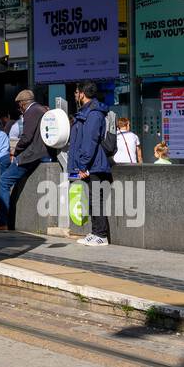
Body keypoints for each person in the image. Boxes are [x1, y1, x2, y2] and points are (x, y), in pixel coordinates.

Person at [0, 89, 49, 231]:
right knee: (4, 163)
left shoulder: (31, 111)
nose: (19, 109)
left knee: (4, 181)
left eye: (19, 106)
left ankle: (1, 223)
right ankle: (3, 213)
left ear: (23, 104)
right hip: (39, 153)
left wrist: (16, 151)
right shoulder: (41, 109)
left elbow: (26, 137)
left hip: (31, 155)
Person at [67, 81, 111, 247]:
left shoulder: (93, 114)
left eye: (76, 92)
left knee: (95, 198)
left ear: (82, 94)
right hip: (89, 163)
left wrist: (83, 165)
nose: (75, 96)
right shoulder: (87, 112)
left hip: (93, 163)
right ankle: (95, 232)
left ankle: (101, 235)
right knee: (91, 198)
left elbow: (90, 141)